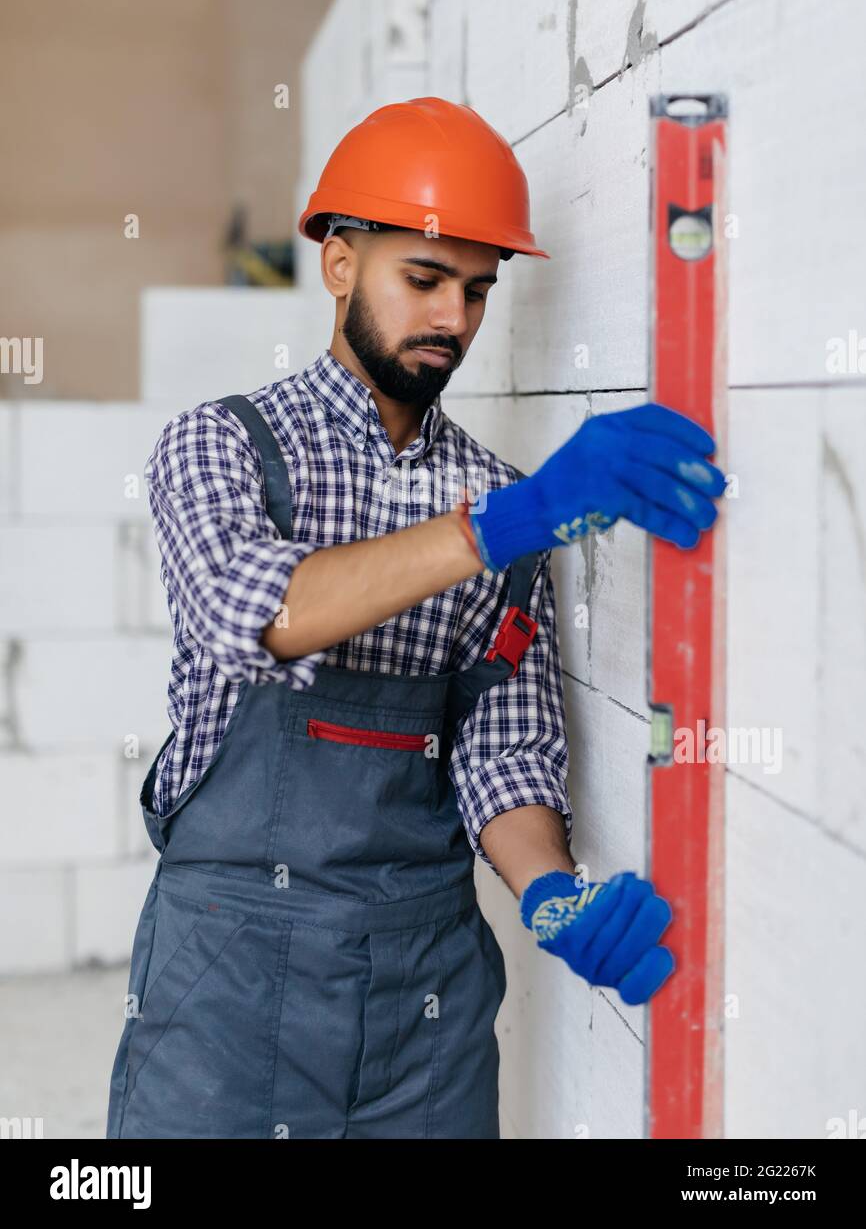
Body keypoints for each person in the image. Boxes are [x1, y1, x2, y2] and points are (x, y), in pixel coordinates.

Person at [106, 97, 726, 1140]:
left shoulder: (502, 496)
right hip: (224, 991)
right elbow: (262, 611)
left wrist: (550, 894)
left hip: (422, 1006)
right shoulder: (222, 448)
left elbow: (500, 754)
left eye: (477, 292)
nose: (453, 318)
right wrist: (497, 526)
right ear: (339, 264)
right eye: (425, 279)